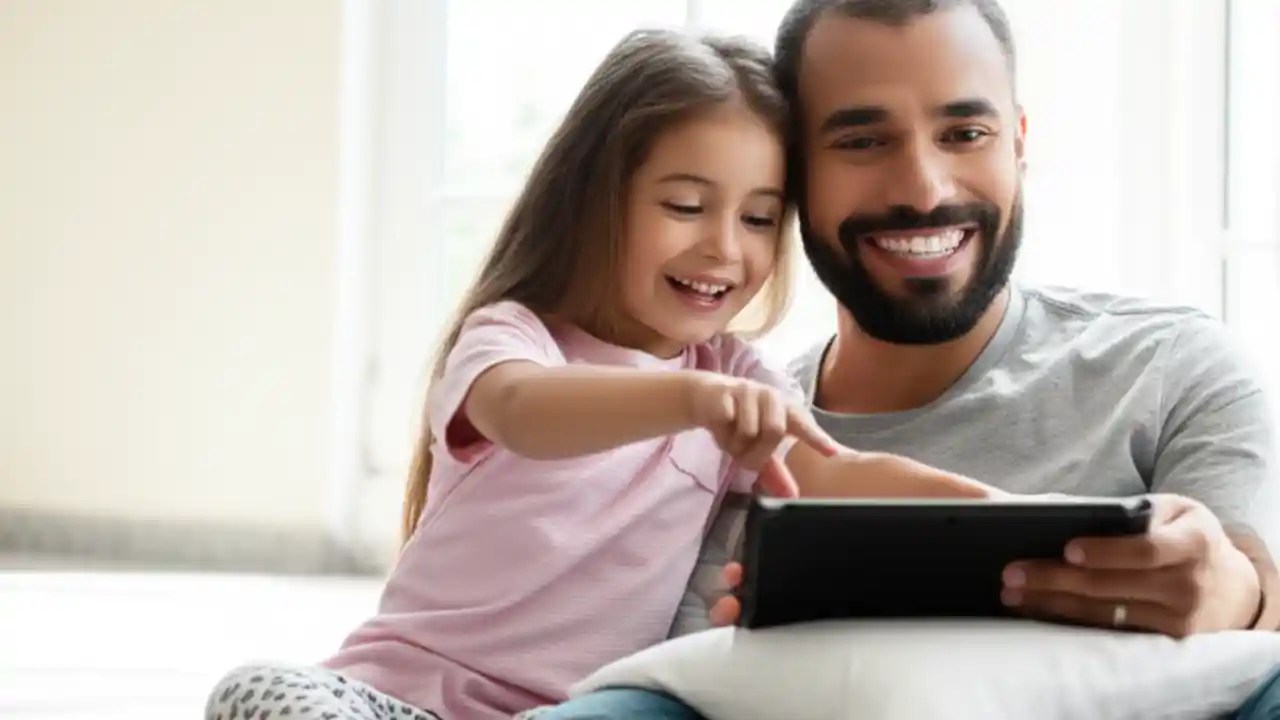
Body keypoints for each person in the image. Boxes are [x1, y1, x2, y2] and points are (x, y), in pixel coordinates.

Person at [204, 28, 995, 720]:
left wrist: (1017, 513)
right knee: (255, 690)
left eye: (757, 218)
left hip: (573, 713)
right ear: (592, 202)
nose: (726, 248)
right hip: (391, 700)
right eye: (685, 205)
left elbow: (838, 475)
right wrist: (689, 399)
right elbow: (523, 411)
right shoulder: (513, 339)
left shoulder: (736, 374)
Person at [538, 0, 1279, 718]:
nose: (924, 190)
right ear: (795, 175)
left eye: (964, 133)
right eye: (862, 141)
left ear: (1018, 141)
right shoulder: (710, 433)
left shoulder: (1169, 369)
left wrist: (1234, 593)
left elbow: (1255, 603)